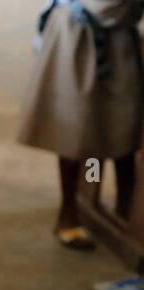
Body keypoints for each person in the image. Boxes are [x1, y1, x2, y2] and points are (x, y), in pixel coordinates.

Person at [16, 0, 143, 250]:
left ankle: (125, 208)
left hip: (119, 34)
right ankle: (68, 212)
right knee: (74, 124)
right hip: (78, 32)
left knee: (124, 122)